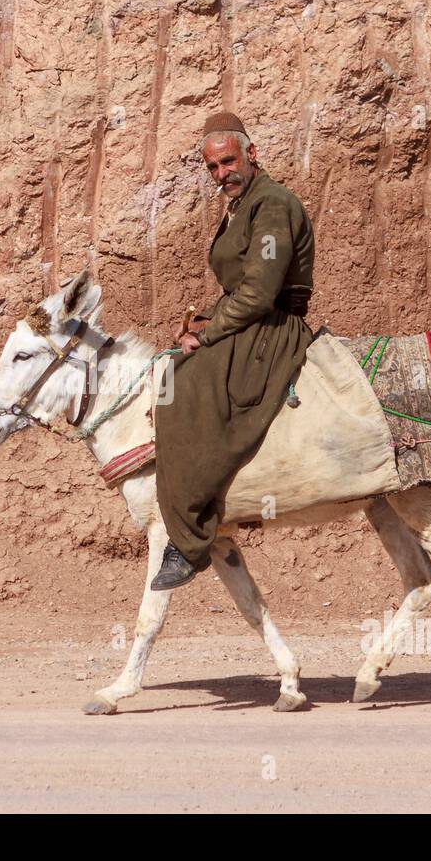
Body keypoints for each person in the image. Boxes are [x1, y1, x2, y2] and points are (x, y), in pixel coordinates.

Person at [150, 111, 316, 590]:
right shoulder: (245, 205)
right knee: (173, 365)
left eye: (228, 162)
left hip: (271, 328)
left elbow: (261, 293)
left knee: (183, 389)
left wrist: (207, 333)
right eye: (213, 168)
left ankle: (189, 538)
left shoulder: (273, 204)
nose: (222, 174)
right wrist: (206, 320)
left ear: (252, 154)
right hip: (249, 320)